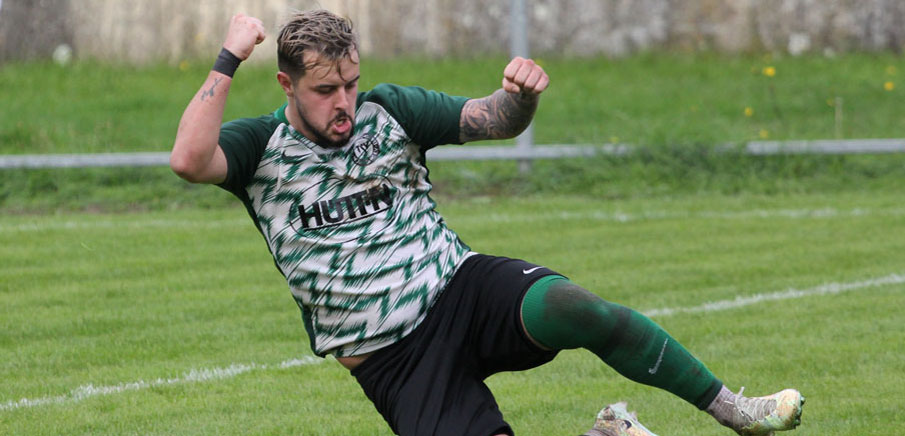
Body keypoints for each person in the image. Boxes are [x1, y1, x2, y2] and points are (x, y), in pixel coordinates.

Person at [171, 10, 805, 436]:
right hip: (392, 361)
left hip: (458, 288)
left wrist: (521, 98)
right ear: (286, 83)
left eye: (351, 85)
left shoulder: (388, 111)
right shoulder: (260, 149)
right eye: (324, 90)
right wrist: (229, 56)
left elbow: (492, 118)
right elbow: (188, 160)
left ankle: (737, 411)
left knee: (573, 306)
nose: (344, 103)